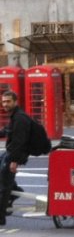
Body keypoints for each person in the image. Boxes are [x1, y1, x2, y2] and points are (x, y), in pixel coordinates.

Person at [0, 91, 31, 225]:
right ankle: (15, 190)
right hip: (9, 152)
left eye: (8, 101)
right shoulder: (14, 116)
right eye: (3, 101)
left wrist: (14, 161)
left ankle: (1, 217)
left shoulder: (20, 118)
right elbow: (6, 131)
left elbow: (19, 142)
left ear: (15, 102)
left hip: (14, 154)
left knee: (3, 186)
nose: (5, 104)